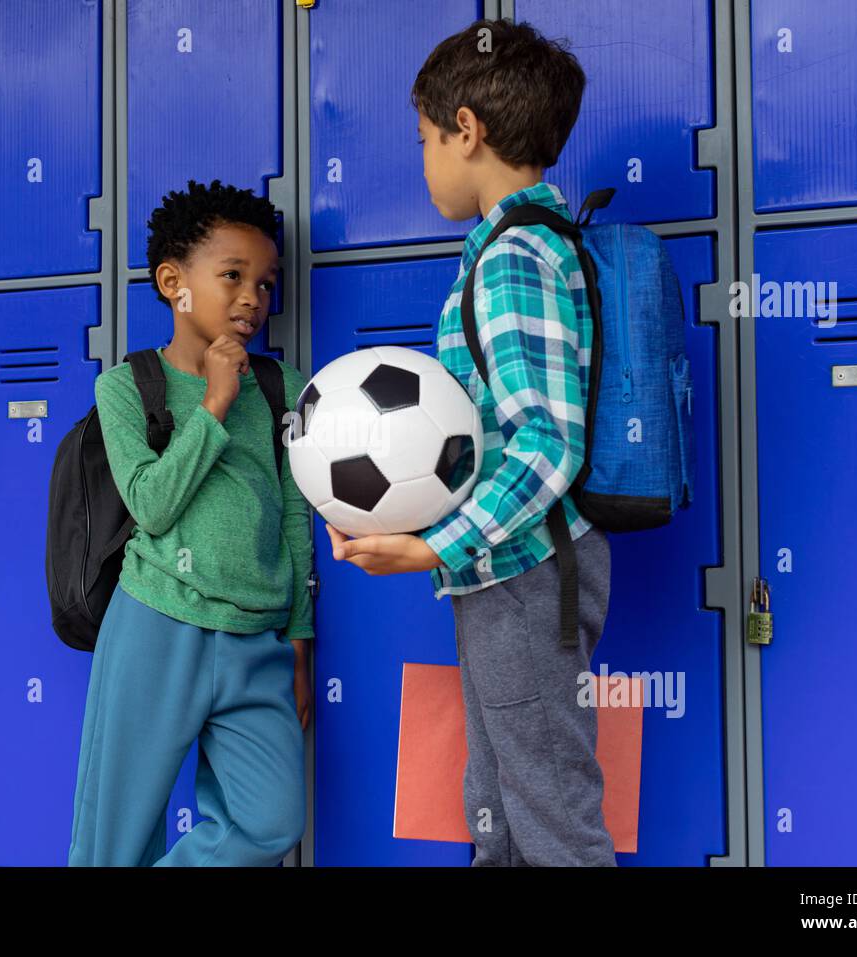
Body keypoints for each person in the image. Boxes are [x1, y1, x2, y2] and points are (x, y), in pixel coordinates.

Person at [326, 19, 616, 866]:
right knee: (497, 807)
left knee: (552, 813)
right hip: (506, 570)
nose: (422, 163)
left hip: (528, 571)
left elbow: (546, 446)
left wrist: (428, 546)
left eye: (424, 140)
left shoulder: (514, 258)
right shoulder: (515, 247)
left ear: (467, 130)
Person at [69, 179, 314, 867]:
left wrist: (299, 636)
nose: (252, 298)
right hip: (155, 624)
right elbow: (151, 502)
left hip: (255, 639)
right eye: (232, 275)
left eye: (265, 283)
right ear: (173, 282)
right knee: (113, 840)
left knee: (270, 820)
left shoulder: (282, 387)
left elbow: (295, 514)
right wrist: (212, 403)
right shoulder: (126, 386)